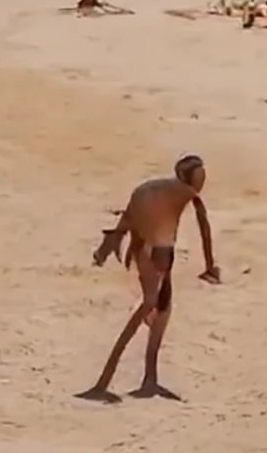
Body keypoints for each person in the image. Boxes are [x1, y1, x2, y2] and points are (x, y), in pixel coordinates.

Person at [76, 154, 221, 403]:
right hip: (160, 252)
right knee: (150, 306)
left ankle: (147, 379)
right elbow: (204, 227)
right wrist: (210, 267)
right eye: (200, 177)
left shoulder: (148, 189)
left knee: (160, 311)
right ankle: (103, 383)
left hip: (144, 250)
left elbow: (126, 220)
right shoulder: (186, 193)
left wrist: (103, 250)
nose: (201, 183)